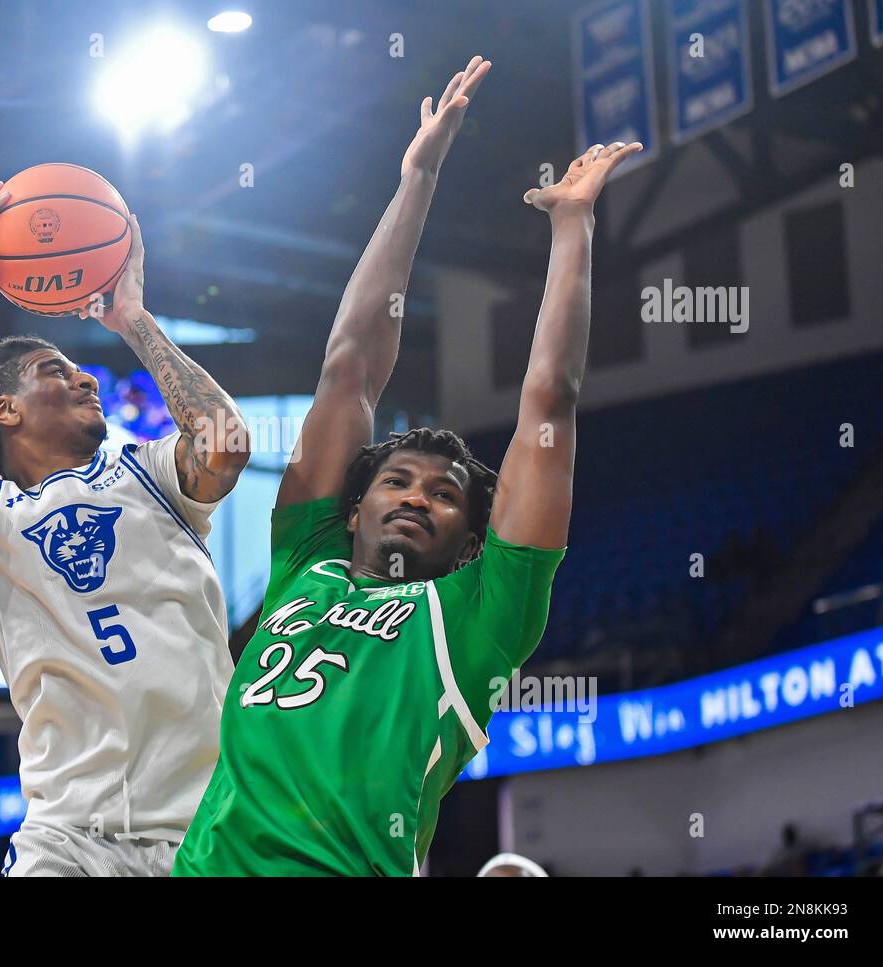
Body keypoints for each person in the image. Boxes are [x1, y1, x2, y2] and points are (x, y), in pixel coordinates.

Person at [174, 57, 643, 875]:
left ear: (473, 542)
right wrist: (417, 177)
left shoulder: (478, 616)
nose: (416, 497)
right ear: (353, 508)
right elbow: (350, 366)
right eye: (396, 480)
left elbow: (550, 401)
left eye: (443, 494)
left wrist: (573, 227)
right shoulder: (305, 560)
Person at [0, 184, 250, 876]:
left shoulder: (150, 474)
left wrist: (134, 320)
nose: (87, 380)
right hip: (71, 840)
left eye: (81, 371)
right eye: (56, 371)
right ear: (5, 409)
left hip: (209, 835)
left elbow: (225, 442)